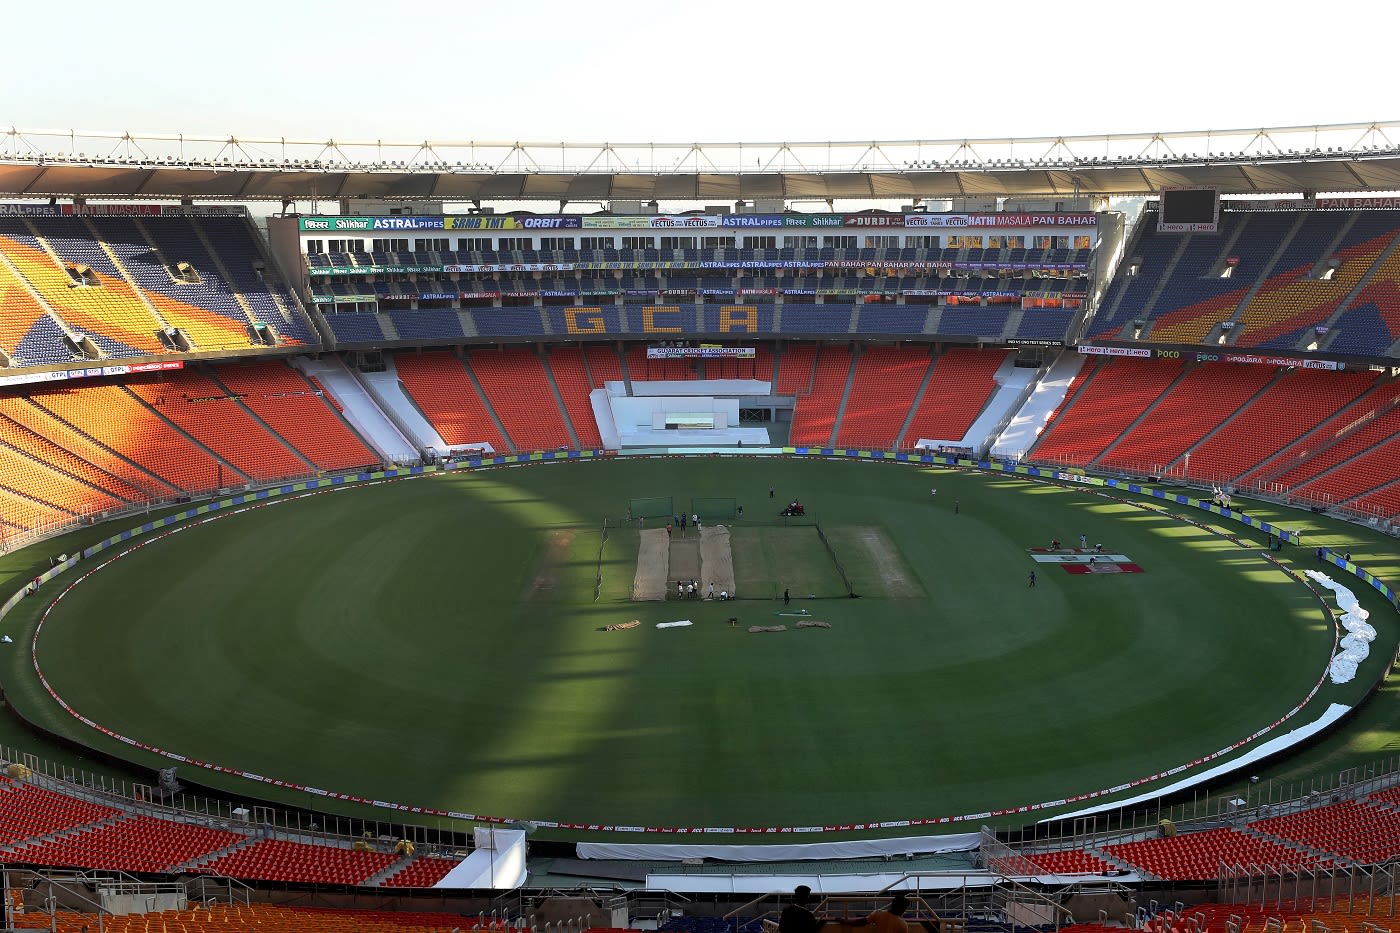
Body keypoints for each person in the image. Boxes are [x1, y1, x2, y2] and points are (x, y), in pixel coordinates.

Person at [828, 893, 911, 933]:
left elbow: (860, 922)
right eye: (904, 909)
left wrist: (843, 921)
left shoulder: (878, 914)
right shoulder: (902, 924)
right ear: (901, 909)